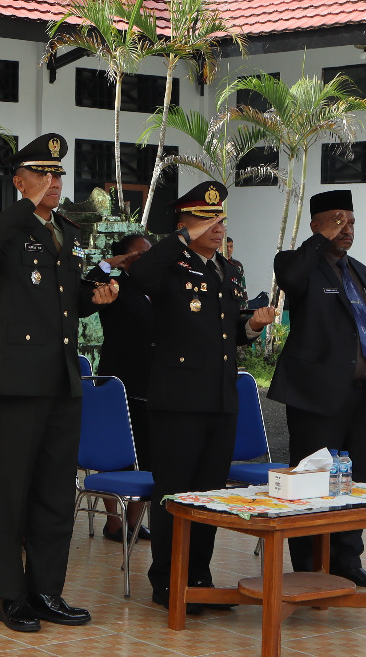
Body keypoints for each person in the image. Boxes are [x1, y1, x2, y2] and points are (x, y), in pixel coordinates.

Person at [0, 133, 116, 634]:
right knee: (14, 491)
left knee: (55, 491)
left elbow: (66, 298)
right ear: (19, 180)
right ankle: (11, 595)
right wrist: (23, 207)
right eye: (43, 174)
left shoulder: (66, 231)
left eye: (58, 174)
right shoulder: (7, 227)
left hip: (61, 377)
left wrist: (96, 297)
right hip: (18, 380)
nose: (53, 182)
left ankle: (46, 589)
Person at [129, 182, 277, 610]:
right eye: (206, 220)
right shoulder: (170, 265)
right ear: (184, 225)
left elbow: (229, 332)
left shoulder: (226, 271)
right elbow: (139, 276)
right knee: (175, 493)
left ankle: (199, 576)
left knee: (209, 495)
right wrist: (179, 239)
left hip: (220, 399)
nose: (218, 227)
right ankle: (168, 581)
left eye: (220, 219)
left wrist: (253, 326)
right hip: (178, 401)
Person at [268, 189, 366, 589]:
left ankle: (347, 561)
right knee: (312, 481)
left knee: (356, 483)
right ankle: (309, 568)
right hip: (316, 397)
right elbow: (289, 278)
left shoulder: (361, 272)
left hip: (363, 396)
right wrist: (320, 240)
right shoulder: (298, 265)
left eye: (351, 221)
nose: (347, 228)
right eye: (338, 221)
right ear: (316, 226)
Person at [83, 233, 155, 542]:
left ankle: (134, 523)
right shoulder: (115, 287)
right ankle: (113, 522)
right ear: (125, 261)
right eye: (139, 255)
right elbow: (86, 290)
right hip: (120, 384)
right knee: (115, 456)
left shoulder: (156, 288)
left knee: (147, 456)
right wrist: (107, 264)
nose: (147, 259)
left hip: (151, 385)